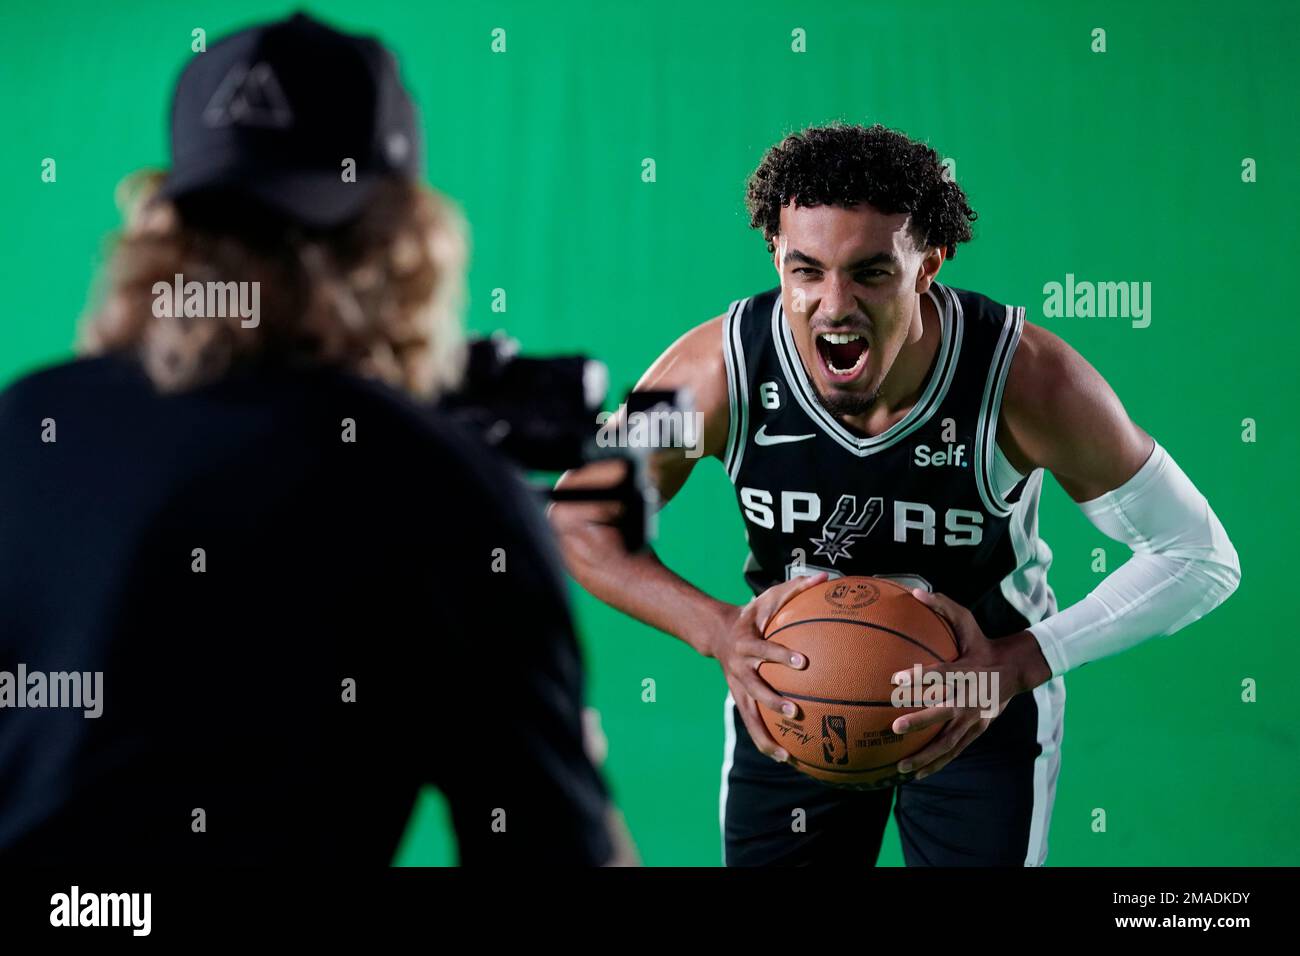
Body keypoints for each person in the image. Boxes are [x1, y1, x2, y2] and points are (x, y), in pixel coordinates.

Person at [0, 12, 624, 866]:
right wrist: (571, 749)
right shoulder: (444, 492)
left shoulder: (25, 423)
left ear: (163, 231)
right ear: (405, 243)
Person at [549, 123, 1240, 866]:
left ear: (927, 265)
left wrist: (1022, 660)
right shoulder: (715, 371)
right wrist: (717, 630)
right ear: (775, 260)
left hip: (979, 710)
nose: (833, 304)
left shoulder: (1027, 380)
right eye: (805, 271)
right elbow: (580, 520)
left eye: (870, 273)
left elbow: (1199, 556)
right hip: (794, 704)